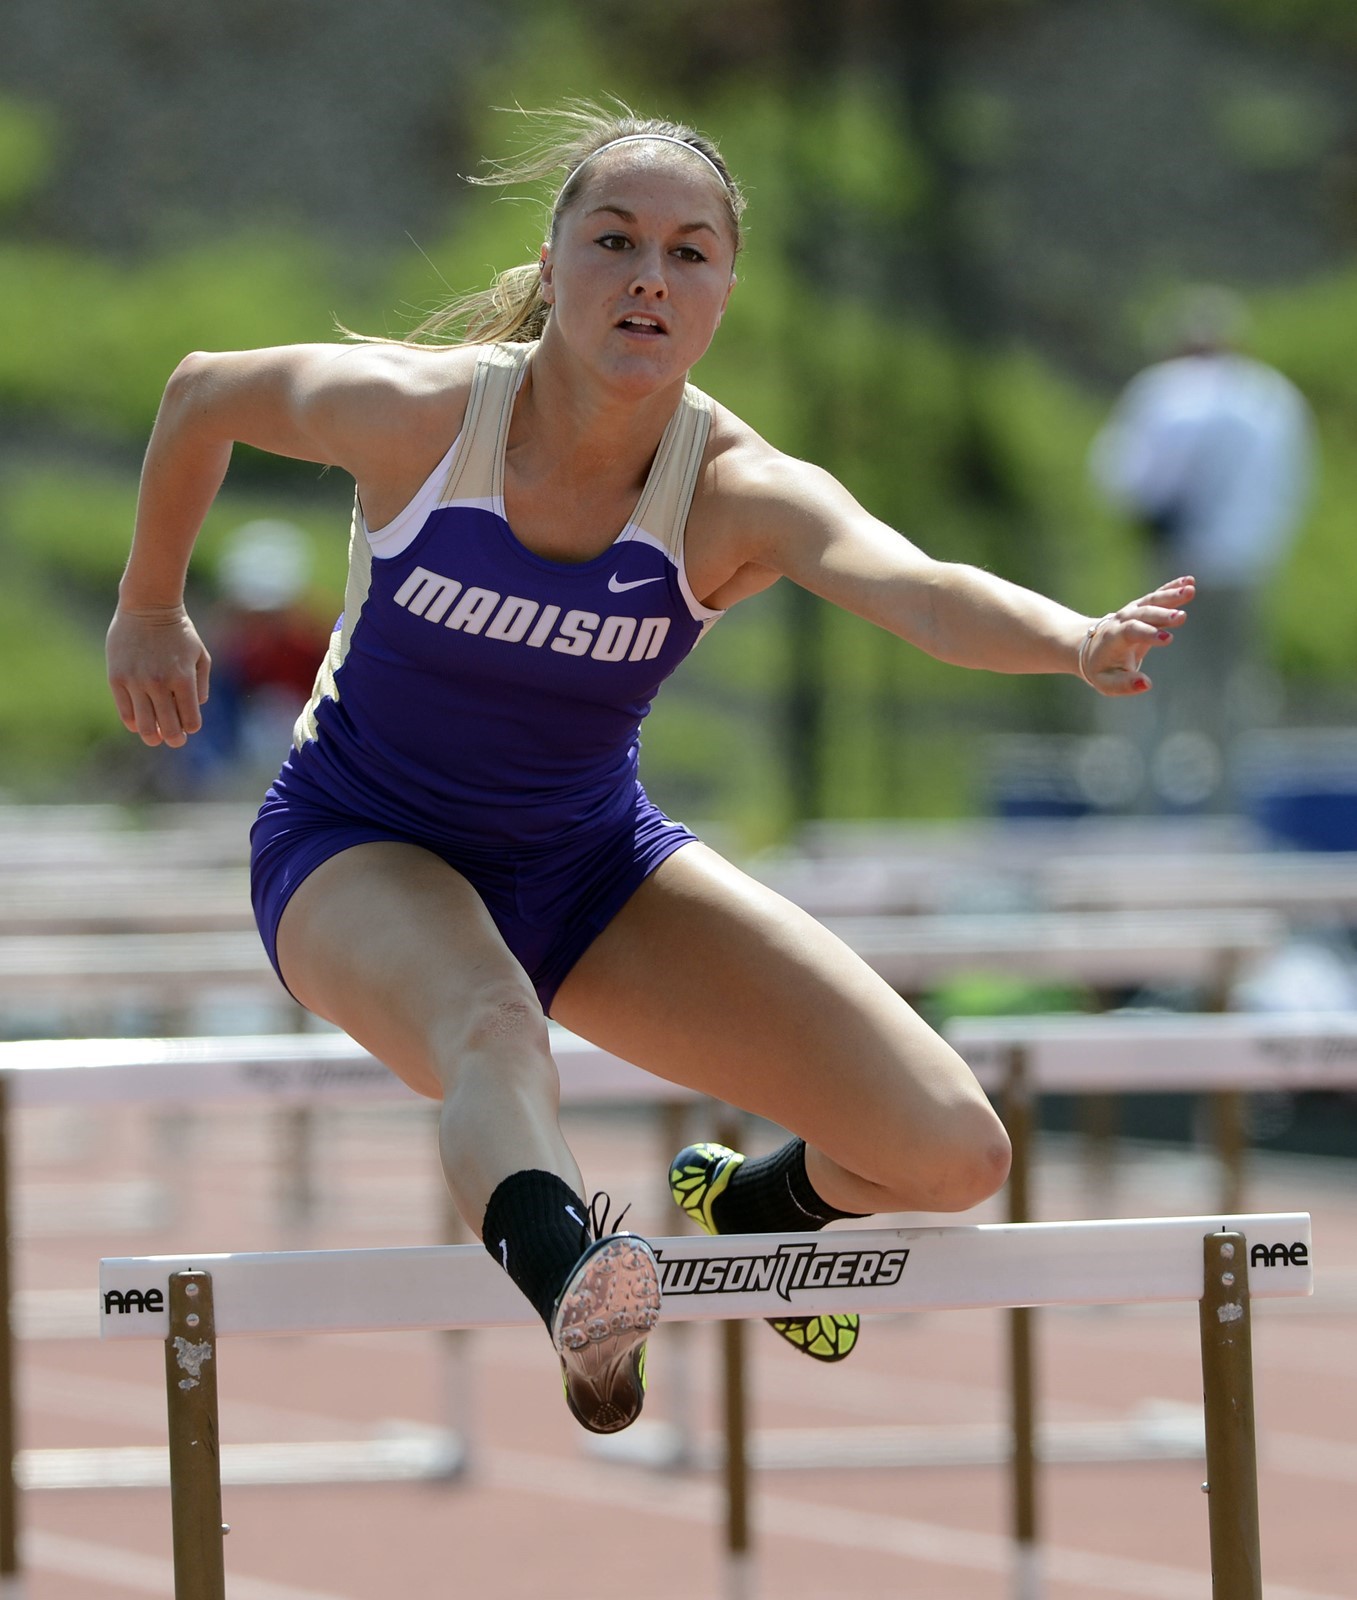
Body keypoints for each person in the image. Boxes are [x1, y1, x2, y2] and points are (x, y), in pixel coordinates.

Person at [106, 101, 1194, 1435]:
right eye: (615, 241)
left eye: (689, 254)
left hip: (587, 864)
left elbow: (916, 590)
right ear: (552, 263)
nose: (649, 279)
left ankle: (757, 1202)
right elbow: (203, 391)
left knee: (950, 1149)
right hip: (359, 843)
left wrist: (1076, 639)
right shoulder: (426, 419)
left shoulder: (736, 489)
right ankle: (578, 1287)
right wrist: (149, 607)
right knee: (491, 1029)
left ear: (725, 292)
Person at [1089, 286, 1313, 811]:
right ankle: (1232, 803)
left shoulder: (1164, 390)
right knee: (1235, 682)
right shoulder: (1272, 396)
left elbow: (1121, 477)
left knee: (1146, 671)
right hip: (1245, 565)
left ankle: (1140, 799)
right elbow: (1295, 482)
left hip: (1174, 562)